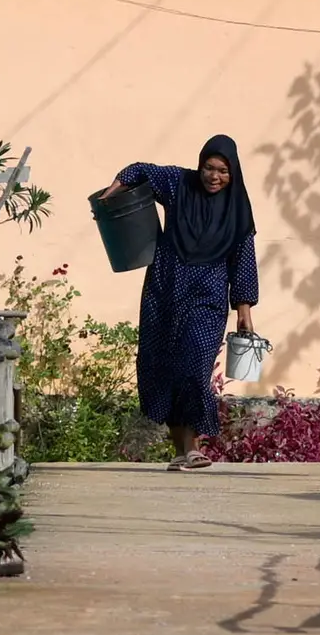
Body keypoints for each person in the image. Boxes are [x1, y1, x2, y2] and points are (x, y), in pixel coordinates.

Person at [95, 134, 261, 470]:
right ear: (200, 165)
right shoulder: (178, 183)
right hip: (164, 288)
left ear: (234, 173)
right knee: (164, 366)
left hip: (208, 295)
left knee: (194, 366)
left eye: (223, 171)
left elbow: (243, 259)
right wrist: (112, 192)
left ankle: (195, 447)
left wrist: (244, 309)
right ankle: (179, 451)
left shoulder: (237, 209)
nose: (213, 176)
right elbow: (140, 170)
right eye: (208, 168)